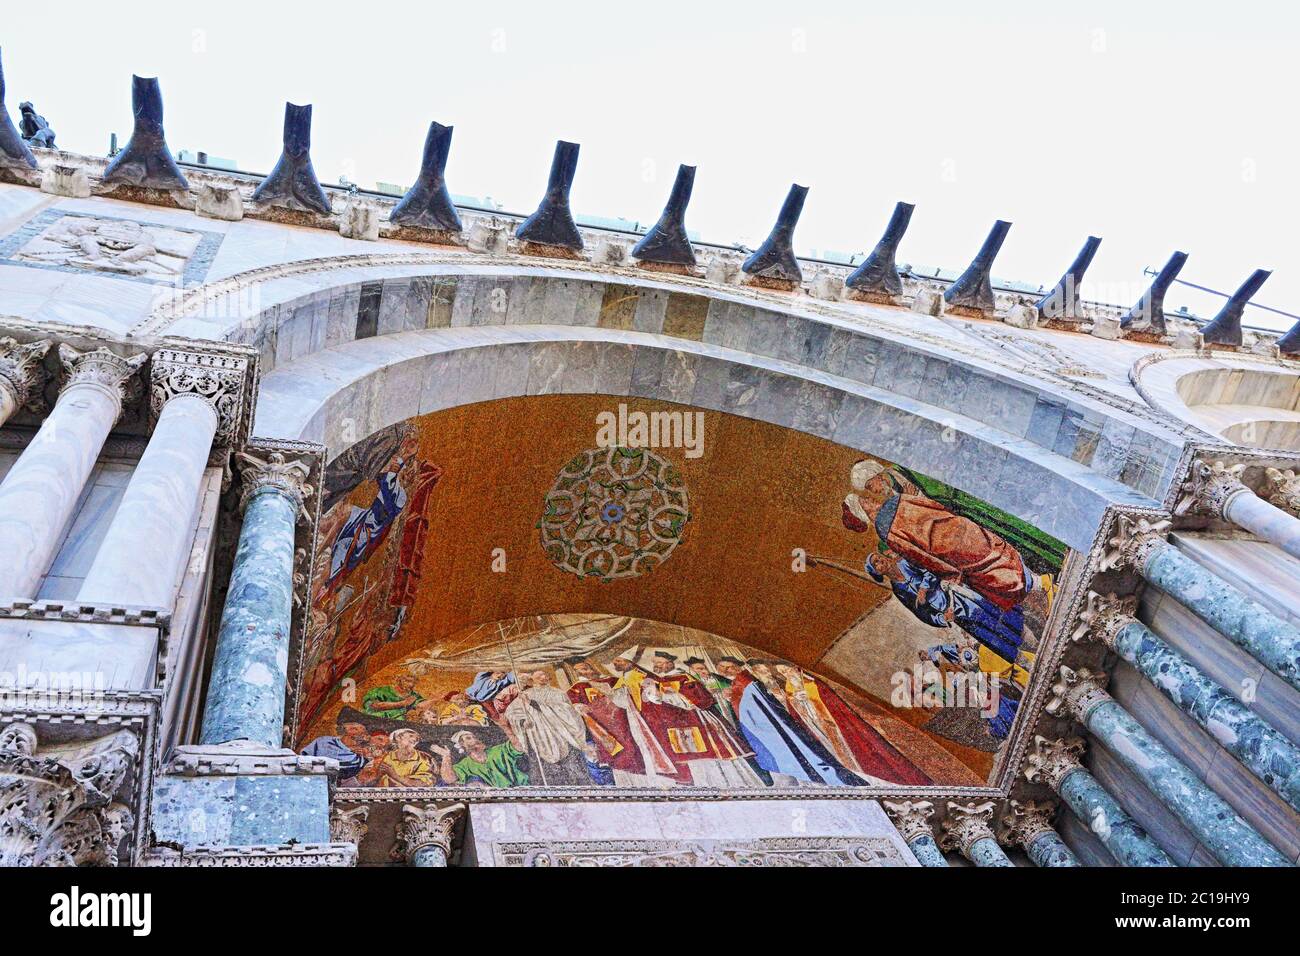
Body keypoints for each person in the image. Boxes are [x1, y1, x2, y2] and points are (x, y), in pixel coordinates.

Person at [841, 460, 1053, 610]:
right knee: (989, 571)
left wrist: (921, 500)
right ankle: (1036, 591)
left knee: (996, 551)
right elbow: (918, 550)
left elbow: (937, 496)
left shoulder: (900, 476)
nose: (874, 493)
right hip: (950, 544)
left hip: (958, 521)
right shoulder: (890, 513)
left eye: (871, 486)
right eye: (869, 492)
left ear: (876, 474)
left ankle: (1039, 582)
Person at [773, 664, 930, 785]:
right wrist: (798, 701)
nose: (786, 674)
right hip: (823, 730)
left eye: (787, 670)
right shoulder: (789, 689)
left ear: (795, 669)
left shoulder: (813, 682)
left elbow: (826, 697)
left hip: (837, 725)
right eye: (782, 672)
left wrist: (809, 697)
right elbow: (797, 713)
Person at [727, 661, 866, 787]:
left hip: (813, 721)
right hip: (801, 724)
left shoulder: (785, 682)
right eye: (781, 671)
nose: (765, 673)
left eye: (764, 670)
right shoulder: (758, 686)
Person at [505, 670, 595, 786]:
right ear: (532, 679)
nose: (543, 677)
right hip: (539, 736)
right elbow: (511, 712)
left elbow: (567, 711)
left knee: (573, 767)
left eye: (545, 675)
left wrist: (534, 704)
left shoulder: (558, 693)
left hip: (562, 735)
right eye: (538, 676)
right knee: (547, 772)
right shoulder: (525, 694)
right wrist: (523, 721)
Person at [431, 730, 529, 788]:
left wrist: (504, 725)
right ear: (461, 744)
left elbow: (519, 745)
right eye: (469, 738)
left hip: (522, 791)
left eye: (474, 737)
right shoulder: (464, 765)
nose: (475, 739)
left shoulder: (498, 750)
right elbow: (449, 779)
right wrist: (446, 756)